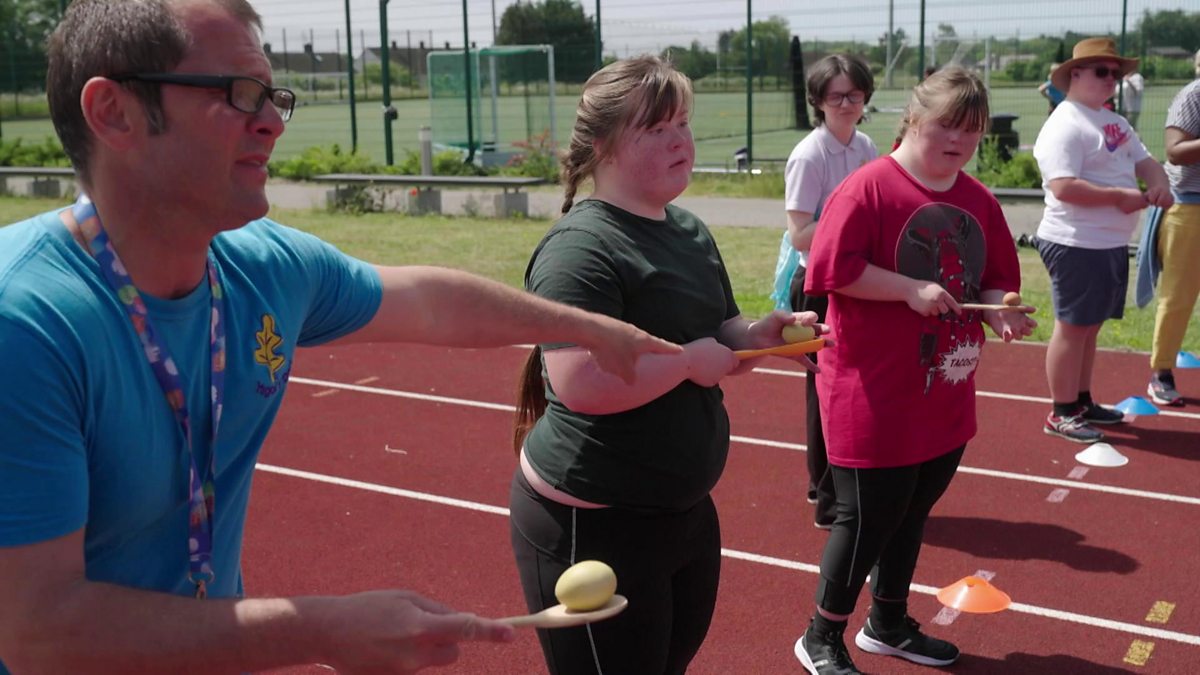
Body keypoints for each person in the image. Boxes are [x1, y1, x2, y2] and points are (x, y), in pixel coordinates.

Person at [0, 2, 683, 673]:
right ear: (113, 111)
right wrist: (318, 628)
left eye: (273, 96)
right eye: (237, 94)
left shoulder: (261, 265)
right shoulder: (25, 324)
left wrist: (589, 326)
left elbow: (429, 302)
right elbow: (39, 632)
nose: (270, 123)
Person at [508, 55, 822, 675]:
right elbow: (579, 386)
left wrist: (761, 335)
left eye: (683, 122)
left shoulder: (688, 229)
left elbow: (720, 328)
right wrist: (685, 365)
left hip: (682, 512)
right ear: (603, 146)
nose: (681, 139)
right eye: (656, 129)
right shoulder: (581, 248)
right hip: (594, 522)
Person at [793, 67, 1036, 675]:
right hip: (871, 391)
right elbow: (829, 270)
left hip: (944, 392)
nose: (958, 140)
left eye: (972, 131)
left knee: (911, 512)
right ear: (914, 118)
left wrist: (1003, 315)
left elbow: (997, 280)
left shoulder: (979, 199)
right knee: (867, 517)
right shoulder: (866, 189)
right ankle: (820, 634)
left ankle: (889, 623)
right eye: (947, 125)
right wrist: (907, 289)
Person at [1033, 37, 1173, 443]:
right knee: (1073, 327)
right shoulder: (1065, 122)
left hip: (1105, 243)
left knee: (1089, 327)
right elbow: (1062, 186)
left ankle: (1080, 401)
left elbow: (1147, 161)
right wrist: (1119, 197)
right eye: (1102, 71)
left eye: (1115, 73)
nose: (1111, 79)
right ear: (1074, 74)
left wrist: (1159, 182)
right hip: (1076, 242)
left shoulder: (1113, 120)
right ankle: (1061, 412)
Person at [783, 54, 878, 529]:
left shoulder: (865, 146)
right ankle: (826, 494)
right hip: (818, 285)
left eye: (855, 94)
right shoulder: (809, 155)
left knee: (851, 382)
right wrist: (846, 220)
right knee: (823, 385)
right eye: (835, 95)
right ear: (818, 101)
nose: (846, 103)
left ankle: (829, 479)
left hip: (856, 281)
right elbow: (799, 233)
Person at [1146, 67, 1200, 405]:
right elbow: (1174, 150)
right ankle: (1160, 372)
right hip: (1190, 207)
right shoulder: (1193, 95)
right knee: (1178, 297)